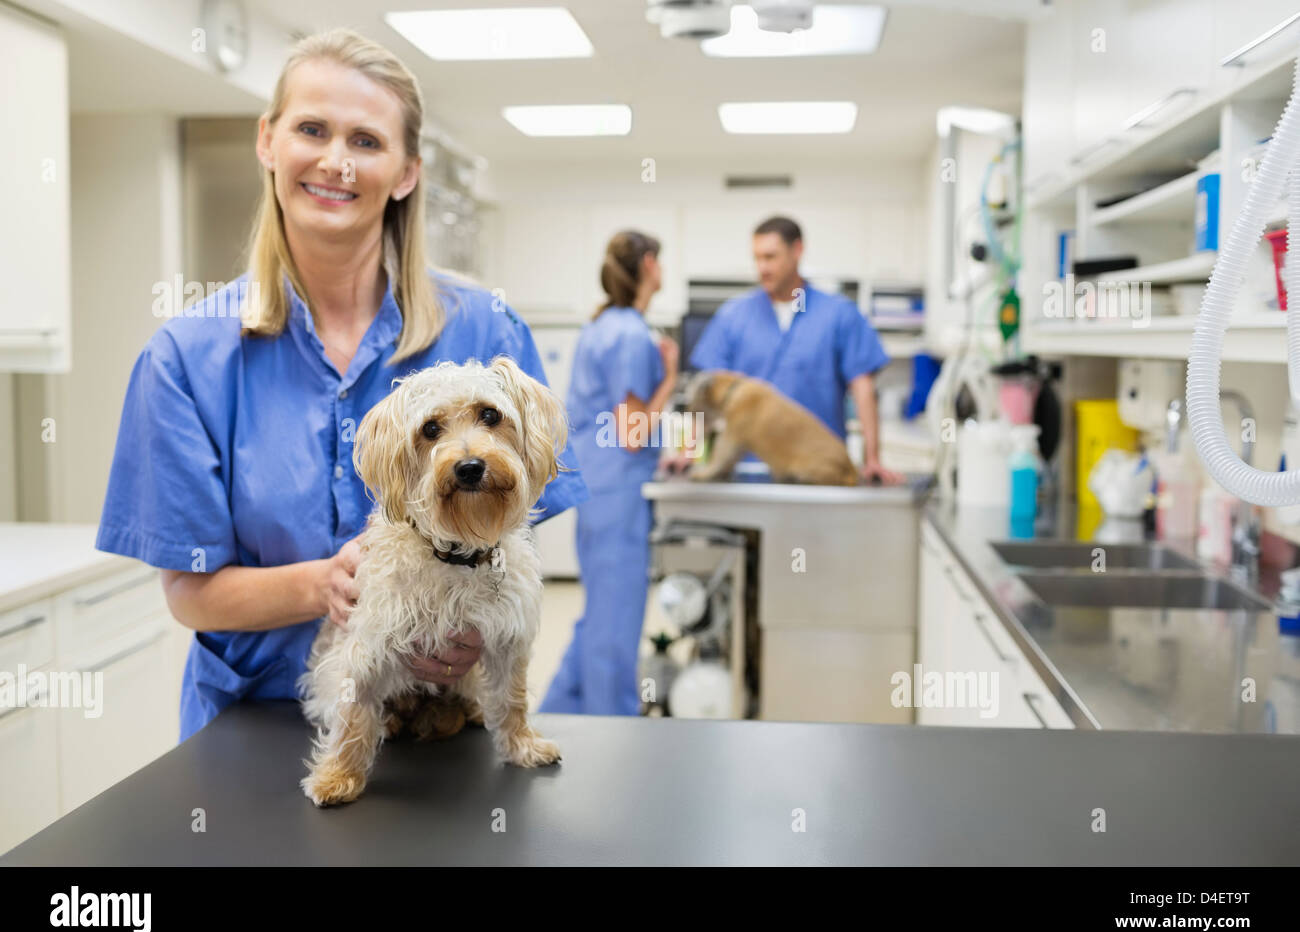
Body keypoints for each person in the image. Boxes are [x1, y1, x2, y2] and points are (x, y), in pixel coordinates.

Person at [95, 29, 587, 742]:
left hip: (441, 737)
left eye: (365, 140)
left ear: (407, 171)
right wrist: (324, 585)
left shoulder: (488, 330)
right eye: (312, 129)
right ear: (268, 141)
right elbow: (190, 593)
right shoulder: (185, 359)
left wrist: (472, 628)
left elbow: (520, 527)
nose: (334, 161)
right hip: (253, 726)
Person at [540, 231, 677, 715]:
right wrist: (672, 378)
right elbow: (633, 433)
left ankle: (556, 713)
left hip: (597, 488)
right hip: (619, 492)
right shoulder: (632, 335)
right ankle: (615, 728)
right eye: (660, 261)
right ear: (648, 265)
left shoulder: (603, 326)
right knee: (616, 620)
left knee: (599, 611)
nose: (663, 269)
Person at [689, 215, 905, 485]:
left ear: (797, 251)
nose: (762, 267)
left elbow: (863, 389)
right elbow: (703, 394)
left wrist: (873, 458)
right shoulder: (733, 316)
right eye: (757, 258)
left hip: (816, 473)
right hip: (747, 473)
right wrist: (687, 452)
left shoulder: (838, 314)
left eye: (771, 257)